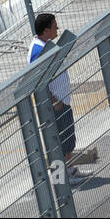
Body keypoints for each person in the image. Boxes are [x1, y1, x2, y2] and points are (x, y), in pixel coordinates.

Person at [28, 12, 85, 185]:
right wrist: (54, 101)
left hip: (62, 101)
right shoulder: (38, 51)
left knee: (67, 140)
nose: (57, 28)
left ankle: (69, 170)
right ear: (46, 31)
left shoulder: (44, 45)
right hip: (55, 104)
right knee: (60, 142)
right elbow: (38, 82)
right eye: (54, 26)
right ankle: (61, 180)